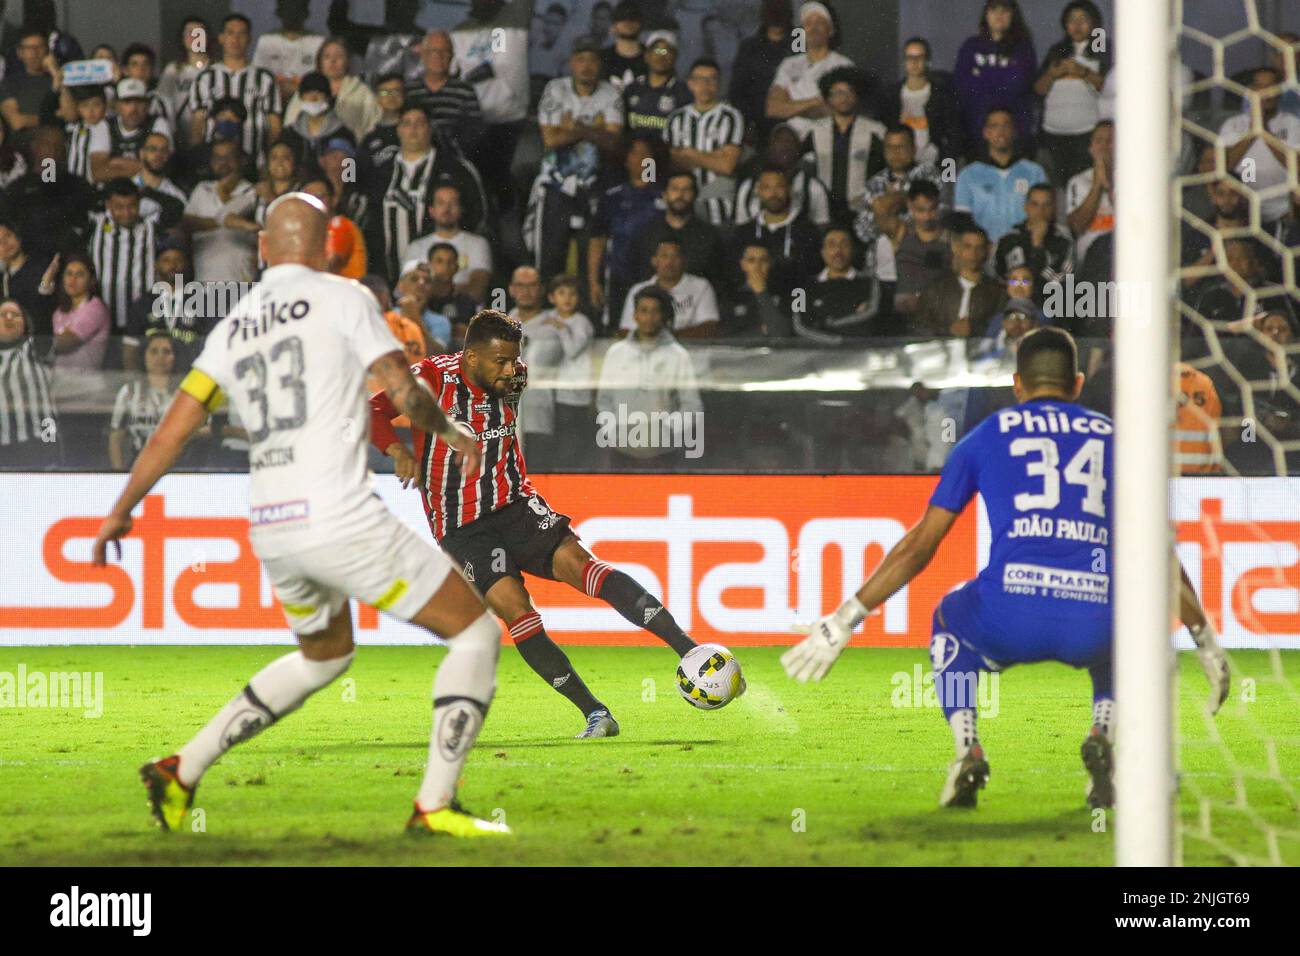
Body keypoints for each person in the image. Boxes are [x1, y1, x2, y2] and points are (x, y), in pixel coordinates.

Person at [94, 192, 509, 839]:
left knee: (324, 656)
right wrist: (454, 434)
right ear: (327, 248)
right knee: (477, 633)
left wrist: (121, 510)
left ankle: (182, 768)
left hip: (273, 527)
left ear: (263, 248)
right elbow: (401, 390)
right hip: (339, 517)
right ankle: (434, 806)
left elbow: (171, 431)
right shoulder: (345, 298)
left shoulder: (233, 326)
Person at [781, 327, 1231, 810]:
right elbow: (1157, 552)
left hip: (1007, 615)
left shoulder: (984, 437)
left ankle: (967, 749)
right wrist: (1204, 638)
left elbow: (920, 546)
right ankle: (1103, 734)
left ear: (1017, 385)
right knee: (1126, 634)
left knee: (947, 620)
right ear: (1077, 384)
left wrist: (844, 620)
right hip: (1094, 621)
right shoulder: (1117, 441)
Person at [371, 308, 710, 737]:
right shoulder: (431, 380)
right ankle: (596, 713)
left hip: (516, 504)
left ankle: (692, 652)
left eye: (515, 360)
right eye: (501, 361)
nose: (512, 370)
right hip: (463, 527)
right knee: (517, 611)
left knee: (584, 567)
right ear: (471, 358)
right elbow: (373, 410)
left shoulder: (513, 378)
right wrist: (397, 451)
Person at [526, 37, 623, 279]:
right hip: (555, 184)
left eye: (592, 59)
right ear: (571, 63)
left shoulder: (611, 93)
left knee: (589, 262)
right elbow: (550, 140)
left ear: (599, 64)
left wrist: (572, 128)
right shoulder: (555, 89)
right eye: (580, 59)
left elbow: (613, 142)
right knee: (549, 259)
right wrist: (593, 129)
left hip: (594, 186)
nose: (586, 65)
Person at [372, 104, 487, 284]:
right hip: (386, 270)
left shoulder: (455, 168)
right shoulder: (381, 170)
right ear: (398, 129)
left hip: (438, 275)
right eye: (407, 124)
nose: (413, 130)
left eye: (419, 123)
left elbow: (476, 213)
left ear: (430, 128)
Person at [598, 284, 706, 470]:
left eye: (655, 311)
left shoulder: (678, 354)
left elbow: (691, 405)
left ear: (663, 316)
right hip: (621, 452)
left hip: (663, 454)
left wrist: (666, 433)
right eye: (644, 311)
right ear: (635, 315)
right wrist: (614, 433)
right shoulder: (616, 352)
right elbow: (604, 400)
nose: (649, 317)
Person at [588, 138, 666, 331]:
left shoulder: (664, 195)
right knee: (616, 327)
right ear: (627, 160)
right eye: (635, 153)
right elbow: (598, 240)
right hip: (619, 274)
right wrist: (593, 282)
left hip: (653, 274)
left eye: (646, 154)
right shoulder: (612, 197)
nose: (641, 158)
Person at [187, 14, 283, 164]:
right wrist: (197, 161)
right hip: (214, 163)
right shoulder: (205, 78)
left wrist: (270, 162)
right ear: (221, 38)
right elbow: (198, 125)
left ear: (249, 39)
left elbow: (274, 126)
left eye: (241, 33)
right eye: (230, 33)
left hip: (254, 161)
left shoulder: (265, 78)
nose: (235, 39)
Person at [1033, 1, 1108, 184]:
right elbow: (1038, 90)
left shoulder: (1103, 49)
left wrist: (1083, 72)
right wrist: (1052, 74)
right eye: (1072, 20)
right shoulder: (1056, 51)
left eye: (1083, 20)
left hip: (1086, 134)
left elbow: (1109, 87)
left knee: (1083, 184)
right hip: (1053, 134)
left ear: (1094, 23)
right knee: (1055, 188)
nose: (1077, 25)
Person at [664, 57, 744, 226]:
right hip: (681, 194)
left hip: (717, 196)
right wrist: (714, 157)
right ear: (690, 83)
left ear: (718, 84)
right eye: (699, 79)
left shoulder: (731, 117)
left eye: (711, 79)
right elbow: (671, 161)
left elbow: (727, 166)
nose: (705, 85)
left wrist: (689, 153)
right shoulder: (675, 118)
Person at [953, 0, 1038, 159]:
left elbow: (1019, 83)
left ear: (1013, 15)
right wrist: (1003, 75)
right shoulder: (971, 46)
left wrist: (981, 74)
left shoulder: (1023, 47)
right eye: (994, 10)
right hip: (977, 131)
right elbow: (961, 84)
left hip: (1015, 132)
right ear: (986, 15)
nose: (999, 15)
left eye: (1005, 11)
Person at [1219, 66, 1300, 230]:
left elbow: (1296, 166)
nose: (1266, 92)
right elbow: (1224, 166)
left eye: (1271, 86)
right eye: (1260, 86)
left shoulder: (1292, 123)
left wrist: (1264, 131)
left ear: (1280, 90)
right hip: (1242, 213)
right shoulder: (1233, 124)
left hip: (1283, 212)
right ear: (1251, 90)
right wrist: (1252, 131)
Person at [954, 107, 1048, 244]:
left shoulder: (1034, 172)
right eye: (994, 126)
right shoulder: (968, 175)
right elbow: (962, 221)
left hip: (1025, 248)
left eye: (1006, 125)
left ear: (1015, 131)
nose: (1001, 131)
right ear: (986, 133)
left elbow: (1044, 215)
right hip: (984, 252)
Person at [807, 66, 886, 227]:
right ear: (828, 98)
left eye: (849, 91)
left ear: (857, 96)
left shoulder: (875, 130)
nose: (843, 98)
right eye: (837, 92)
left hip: (862, 211)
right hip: (824, 213)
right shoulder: (814, 130)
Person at [765, 1, 854, 142]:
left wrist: (790, 106)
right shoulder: (789, 64)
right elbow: (773, 108)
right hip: (792, 140)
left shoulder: (842, 65)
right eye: (809, 23)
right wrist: (815, 101)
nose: (814, 27)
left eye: (820, 22)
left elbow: (836, 109)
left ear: (830, 30)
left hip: (828, 138)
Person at [853, 124, 945, 250]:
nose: (895, 152)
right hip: (883, 256)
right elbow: (862, 231)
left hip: (920, 252)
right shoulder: (873, 183)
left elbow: (941, 213)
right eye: (890, 147)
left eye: (901, 147)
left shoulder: (930, 174)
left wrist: (888, 204)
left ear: (913, 149)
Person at [123, 240, 206, 373]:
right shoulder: (142, 304)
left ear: (186, 264)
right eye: (166, 260)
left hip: (191, 380)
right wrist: (135, 380)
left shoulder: (203, 302)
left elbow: (211, 346)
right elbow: (131, 349)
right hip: (152, 382)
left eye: (178, 260)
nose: (173, 265)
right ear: (156, 265)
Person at [89, 178, 157, 341]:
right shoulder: (96, 224)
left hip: (141, 317)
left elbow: (176, 208)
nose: (126, 213)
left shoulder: (150, 226)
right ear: (108, 205)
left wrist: (147, 190)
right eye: (119, 207)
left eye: (132, 206)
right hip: (104, 317)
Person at [183, 137, 259, 284]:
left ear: (242, 160)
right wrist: (228, 222)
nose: (223, 162)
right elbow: (188, 223)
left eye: (229, 157)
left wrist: (224, 195)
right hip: (205, 278)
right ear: (211, 162)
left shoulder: (253, 191)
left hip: (243, 278)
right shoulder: (202, 189)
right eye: (218, 158)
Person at [878, 36, 963, 166]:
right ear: (904, 61)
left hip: (933, 169)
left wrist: (948, 178)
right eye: (910, 57)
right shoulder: (891, 95)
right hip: (899, 167)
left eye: (919, 57)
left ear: (928, 61)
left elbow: (952, 142)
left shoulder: (941, 97)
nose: (914, 62)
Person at [404, 184, 493, 305]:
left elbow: (476, 292)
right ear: (431, 210)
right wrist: (457, 288)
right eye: (441, 203)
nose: (447, 209)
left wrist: (430, 287)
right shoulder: (416, 246)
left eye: (453, 203)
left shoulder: (478, 244)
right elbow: (408, 290)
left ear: (461, 209)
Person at [874, 179, 950, 319]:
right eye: (920, 210)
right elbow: (879, 206)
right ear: (910, 206)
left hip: (937, 310)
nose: (927, 217)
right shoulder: (901, 231)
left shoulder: (949, 237)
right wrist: (904, 196)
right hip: (904, 311)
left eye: (932, 209)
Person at [915, 223, 1005, 339]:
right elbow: (919, 327)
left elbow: (1000, 328)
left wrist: (974, 329)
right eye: (968, 246)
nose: (973, 254)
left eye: (979, 248)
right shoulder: (936, 289)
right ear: (956, 247)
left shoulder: (997, 293)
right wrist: (948, 331)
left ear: (987, 250)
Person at [403, 30, 484, 157]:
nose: (439, 56)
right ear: (423, 55)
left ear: (451, 56)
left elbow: (474, 131)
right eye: (433, 51)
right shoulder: (409, 90)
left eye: (445, 51)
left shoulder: (465, 91)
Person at [283, 36, 381, 141]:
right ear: (319, 61)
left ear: (348, 61)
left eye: (339, 56)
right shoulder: (306, 89)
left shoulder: (362, 92)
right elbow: (290, 122)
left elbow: (374, 126)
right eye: (327, 56)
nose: (333, 61)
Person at [620, 237, 721, 338]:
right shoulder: (638, 290)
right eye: (664, 256)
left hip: (690, 349)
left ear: (683, 260)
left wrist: (667, 339)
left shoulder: (701, 286)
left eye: (675, 256)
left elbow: (710, 327)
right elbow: (626, 330)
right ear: (654, 261)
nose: (669, 262)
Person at [0, 298, 58, 468]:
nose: (9, 318)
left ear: (25, 323)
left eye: (16, 315)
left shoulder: (35, 348)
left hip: (39, 441)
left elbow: (44, 316)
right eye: (3, 314)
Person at [109, 329, 179, 470]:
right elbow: (116, 437)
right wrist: (118, 473)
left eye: (166, 352)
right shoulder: (129, 392)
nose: (160, 357)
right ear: (144, 356)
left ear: (175, 357)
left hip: (179, 467)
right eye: (153, 351)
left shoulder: (186, 393)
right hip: (138, 465)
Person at [995, 183, 1074, 308]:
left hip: (1049, 308)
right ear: (1026, 207)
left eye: (1046, 205)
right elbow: (1001, 278)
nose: (1040, 211)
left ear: (1053, 208)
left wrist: (1038, 245)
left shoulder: (1063, 241)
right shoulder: (1009, 239)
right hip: (1012, 307)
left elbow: (1059, 284)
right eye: (1035, 204)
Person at [276, 70, 356, 168]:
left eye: (319, 92)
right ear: (301, 98)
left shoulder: (343, 134)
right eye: (308, 93)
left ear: (327, 97)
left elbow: (350, 174)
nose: (313, 98)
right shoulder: (289, 134)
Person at [622, 30, 690, 140]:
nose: (661, 56)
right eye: (657, 50)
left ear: (675, 56)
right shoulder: (632, 89)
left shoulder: (684, 92)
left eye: (666, 51)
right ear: (647, 55)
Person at [251, 0, 324, 102]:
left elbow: (322, 83)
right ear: (278, 12)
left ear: (306, 12)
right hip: (270, 103)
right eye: (287, 8)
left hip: (308, 103)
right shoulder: (266, 41)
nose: (292, 13)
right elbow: (256, 80)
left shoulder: (318, 42)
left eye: (296, 8)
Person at [1064, 120, 1114, 265]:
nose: (1104, 146)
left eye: (1110, 141)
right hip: (1088, 262)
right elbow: (1077, 227)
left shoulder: (1131, 180)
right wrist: (1097, 185)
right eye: (1099, 141)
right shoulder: (1077, 181)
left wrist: (1109, 184)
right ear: (1091, 147)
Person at [51, 252, 110, 373]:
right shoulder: (59, 312)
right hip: (60, 383)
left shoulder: (96, 308)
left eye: (79, 275)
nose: (72, 280)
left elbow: (65, 344)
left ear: (91, 280)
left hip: (86, 386)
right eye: (69, 274)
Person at [157, 17, 212, 135]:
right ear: (183, 38)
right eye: (190, 33)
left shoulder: (215, 70)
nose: (194, 37)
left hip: (208, 133)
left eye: (199, 33)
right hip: (178, 132)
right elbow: (163, 102)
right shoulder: (172, 70)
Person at [725, 242, 791, 337]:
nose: (757, 266)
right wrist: (760, 332)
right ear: (743, 264)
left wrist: (761, 292)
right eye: (751, 260)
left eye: (763, 260)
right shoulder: (730, 295)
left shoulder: (784, 295)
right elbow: (725, 334)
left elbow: (781, 333)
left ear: (770, 264)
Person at [0, 28, 57, 133]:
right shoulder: (9, 83)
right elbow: (17, 122)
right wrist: (56, 118)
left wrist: (55, 72)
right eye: (29, 48)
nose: (34, 53)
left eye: (39, 47)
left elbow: (70, 115)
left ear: (47, 50)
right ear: (20, 53)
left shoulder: (57, 79)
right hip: (22, 146)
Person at [601, 0, 647, 92]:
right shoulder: (602, 57)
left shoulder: (652, 56)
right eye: (622, 17)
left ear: (641, 23)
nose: (627, 21)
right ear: (613, 24)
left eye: (633, 17)